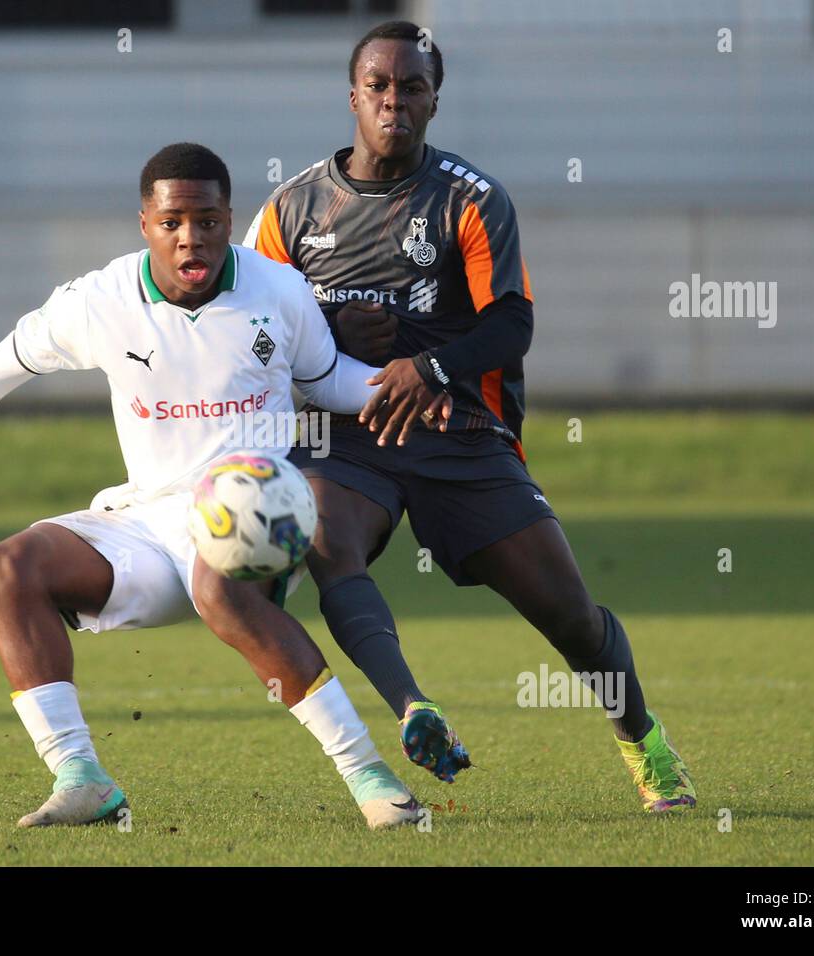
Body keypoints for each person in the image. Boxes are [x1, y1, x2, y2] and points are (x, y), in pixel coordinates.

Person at [0, 143, 428, 829]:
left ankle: (371, 779)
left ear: (229, 220)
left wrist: (411, 384)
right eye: (172, 222)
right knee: (6, 565)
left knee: (218, 582)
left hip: (252, 505)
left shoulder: (278, 291)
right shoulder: (100, 300)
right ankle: (80, 777)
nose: (189, 237)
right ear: (145, 223)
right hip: (146, 520)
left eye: (205, 220)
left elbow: (329, 382)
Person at [246, 22, 695, 811]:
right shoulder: (291, 209)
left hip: (461, 435)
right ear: (351, 95)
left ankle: (645, 741)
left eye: (411, 88)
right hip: (348, 437)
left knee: (573, 620)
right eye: (378, 86)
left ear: (434, 101)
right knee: (327, 544)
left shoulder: (470, 199)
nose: (394, 102)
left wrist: (432, 367)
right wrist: (332, 331)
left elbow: (511, 323)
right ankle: (414, 709)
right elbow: (261, 334)